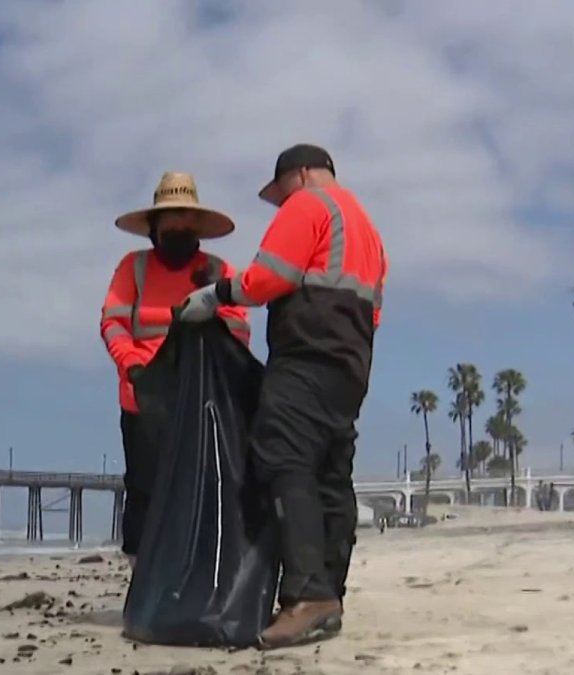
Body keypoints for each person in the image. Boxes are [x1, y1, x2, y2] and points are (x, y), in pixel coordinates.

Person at [177, 144, 387, 648]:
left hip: (306, 354)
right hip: (351, 365)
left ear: (300, 174)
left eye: (279, 193)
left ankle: (306, 596)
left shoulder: (310, 205)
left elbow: (271, 276)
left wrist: (219, 294)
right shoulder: (368, 229)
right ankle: (329, 596)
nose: (279, 204)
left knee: (283, 457)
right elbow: (373, 312)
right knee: (331, 474)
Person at [100, 171, 251, 568]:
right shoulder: (133, 268)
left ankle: (196, 576)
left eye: (186, 218)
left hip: (200, 404)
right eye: (170, 219)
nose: (179, 226)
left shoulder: (218, 270)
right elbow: (113, 322)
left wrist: (213, 314)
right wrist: (131, 363)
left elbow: (239, 329)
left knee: (200, 491)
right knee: (144, 491)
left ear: (198, 226)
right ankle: (143, 580)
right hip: (143, 401)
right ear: (154, 227)